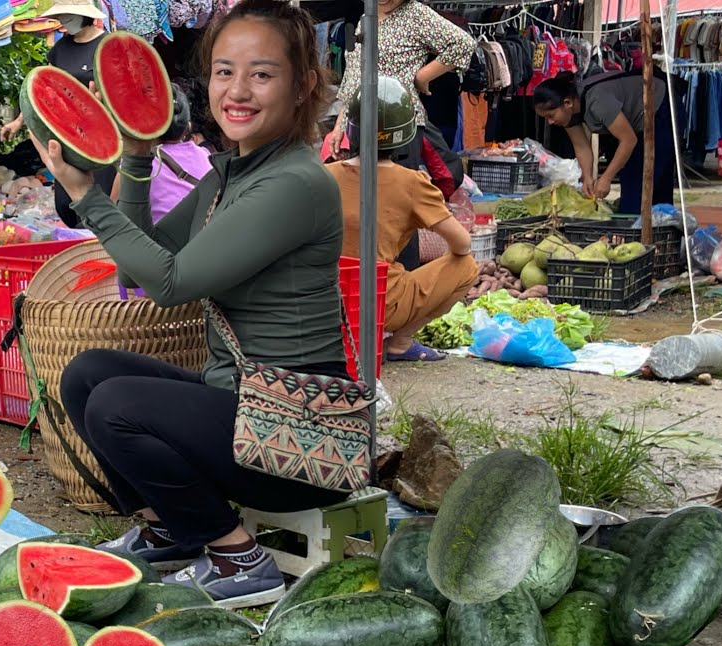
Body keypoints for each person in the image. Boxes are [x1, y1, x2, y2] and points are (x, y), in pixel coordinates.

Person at [31, 0, 352, 608]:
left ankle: (237, 557)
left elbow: (171, 284)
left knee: (118, 404)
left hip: (302, 438)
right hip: (243, 409)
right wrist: (136, 158)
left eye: (262, 73)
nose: (237, 90)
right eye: (224, 71)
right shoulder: (229, 175)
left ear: (303, 83)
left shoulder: (294, 184)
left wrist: (83, 195)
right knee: (88, 373)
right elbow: (137, 263)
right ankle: (167, 527)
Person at [327, 77, 478, 362]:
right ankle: (400, 342)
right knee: (466, 266)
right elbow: (462, 244)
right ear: (407, 134)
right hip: (380, 302)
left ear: (351, 130)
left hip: (320, 298)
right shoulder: (412, 183)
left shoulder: (325, 175)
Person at [327, 0, 474, 267]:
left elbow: (462, 44)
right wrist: (341, 124)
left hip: (399, 128)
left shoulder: (415, 13)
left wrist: (422, 77)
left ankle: (401, 281)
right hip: (362, 126)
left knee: (395, 207)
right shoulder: (366, 18)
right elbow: (354, 76)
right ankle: (367, 276)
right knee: (365, 206)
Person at [0, 0, 116, 228]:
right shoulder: (60, 50)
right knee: (65, 204)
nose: (62, 20)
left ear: (84, 15)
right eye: (60, 15)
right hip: (66, 136)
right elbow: (43, 91)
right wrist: (19, 121)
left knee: (98, 203)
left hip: (99, 138)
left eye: (67, 15)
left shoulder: (107, 45)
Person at [533, 71, 675, 215]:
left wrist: (606, 178)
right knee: (632, 180)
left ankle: (650, 226)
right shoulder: (569, 113)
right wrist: (587, 177)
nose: (550, 122)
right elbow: (581, 146)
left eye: (551, 116)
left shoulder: (597, 101)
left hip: (660, 105)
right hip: (634, 125)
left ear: (567, 103)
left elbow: (628, 140)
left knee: (643, 183)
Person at [108, 85, 213, 222]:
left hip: (155, 240)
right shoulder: (206, 155)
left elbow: (113, 211)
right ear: (188, 127)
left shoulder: (136, 164)